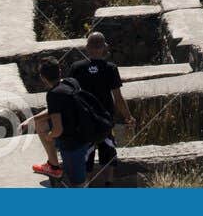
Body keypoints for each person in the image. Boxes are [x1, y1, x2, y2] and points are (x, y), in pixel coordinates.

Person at [21, 59, 104, 188]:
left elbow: (58, 130)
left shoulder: (53, 94)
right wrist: (31, 119)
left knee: (78, 184)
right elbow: (55, 110)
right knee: (40, 123)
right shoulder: (71, 82)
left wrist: (49, 136)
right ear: (60, 71)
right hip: (86, 132)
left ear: (43, 78)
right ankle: (53, 166)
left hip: (72, 144)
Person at [68, 32, 131, 186]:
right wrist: (128, 116)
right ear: (105, 47)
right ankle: (108, 186)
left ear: (87, 47)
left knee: (87, 154)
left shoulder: (76, 68)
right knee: (108, 152)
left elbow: (70, 95)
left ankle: (87, 185)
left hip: (84, 120)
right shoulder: (111, 68)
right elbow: (118, 97)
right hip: (105, 120)